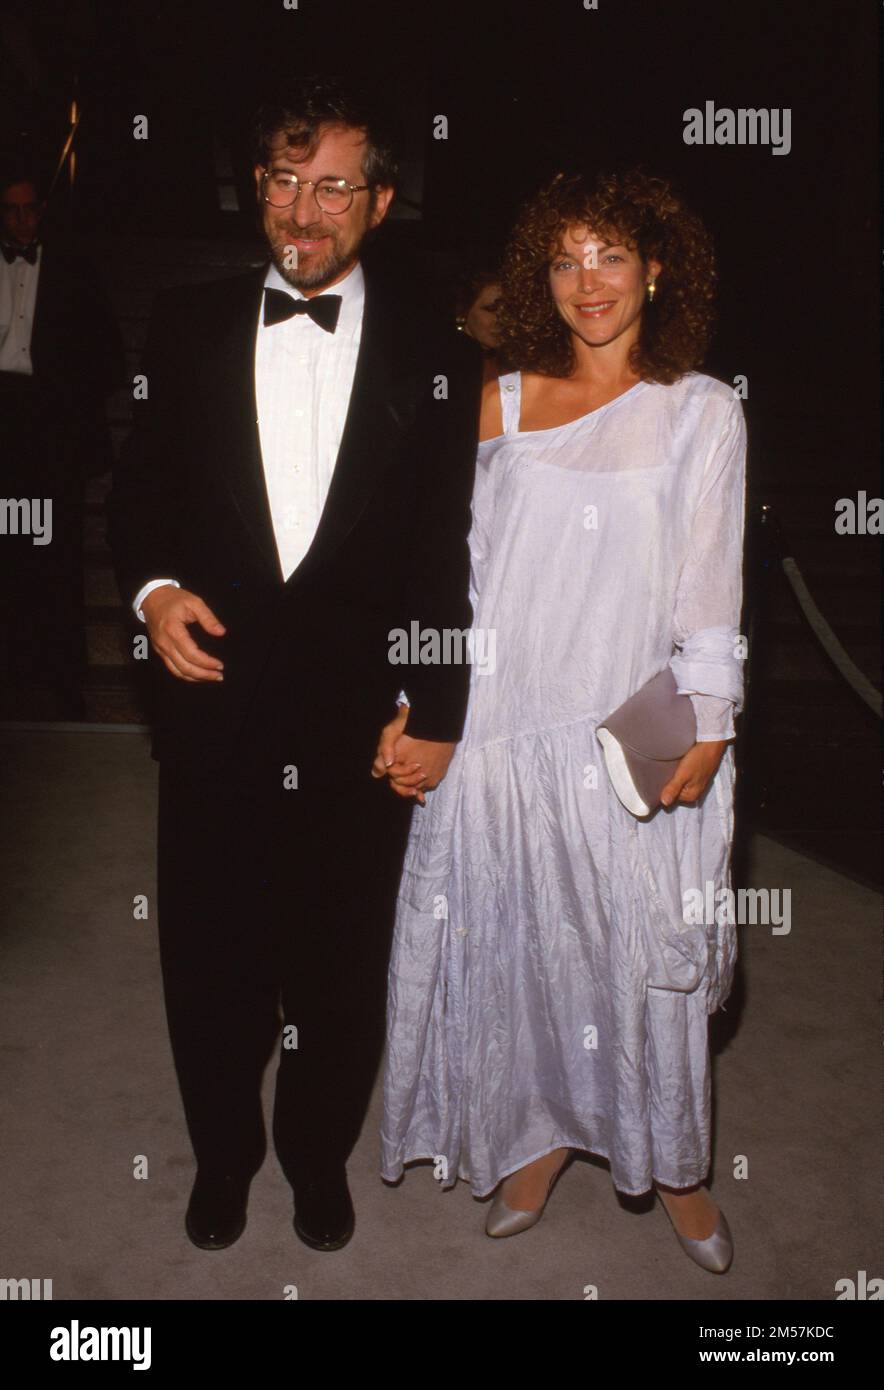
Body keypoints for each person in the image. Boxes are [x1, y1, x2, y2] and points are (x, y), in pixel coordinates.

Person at [107, 76, 482, 1253]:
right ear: (253, 190)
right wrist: (153, 590)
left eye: (332, 186)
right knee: (208, 957)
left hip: (357, 721)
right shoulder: (185, 323)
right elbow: (139, 500)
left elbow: (443, 548)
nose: (303, 213)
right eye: (283, 181)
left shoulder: (438, 351)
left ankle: (315, 1154)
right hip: (212, 707)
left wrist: (443, 705)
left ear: (379, 202)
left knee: (336, 965)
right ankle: (226, 1154)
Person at [378, 169, 746, 1274]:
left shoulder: (700, 409)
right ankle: (529, 1142)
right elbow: (458, 572)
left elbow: (708, 590)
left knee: (640, 960)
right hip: (498, 728)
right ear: (539, 276)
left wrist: (712, 725)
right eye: (563, 258)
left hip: (627, 732)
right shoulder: (494, 401)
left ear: (655, 267)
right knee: (518, 950)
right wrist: (416, 698)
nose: (587, 281)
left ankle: (674, 1168)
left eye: (610, 255)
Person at [0, 165, 123, 718]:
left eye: (31, 209)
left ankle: (64, 677)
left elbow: (110, 356)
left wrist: (66, 402)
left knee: (58, 557)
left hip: (51, 435)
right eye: (12, 211)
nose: (24, 221)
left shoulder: (74, 268)